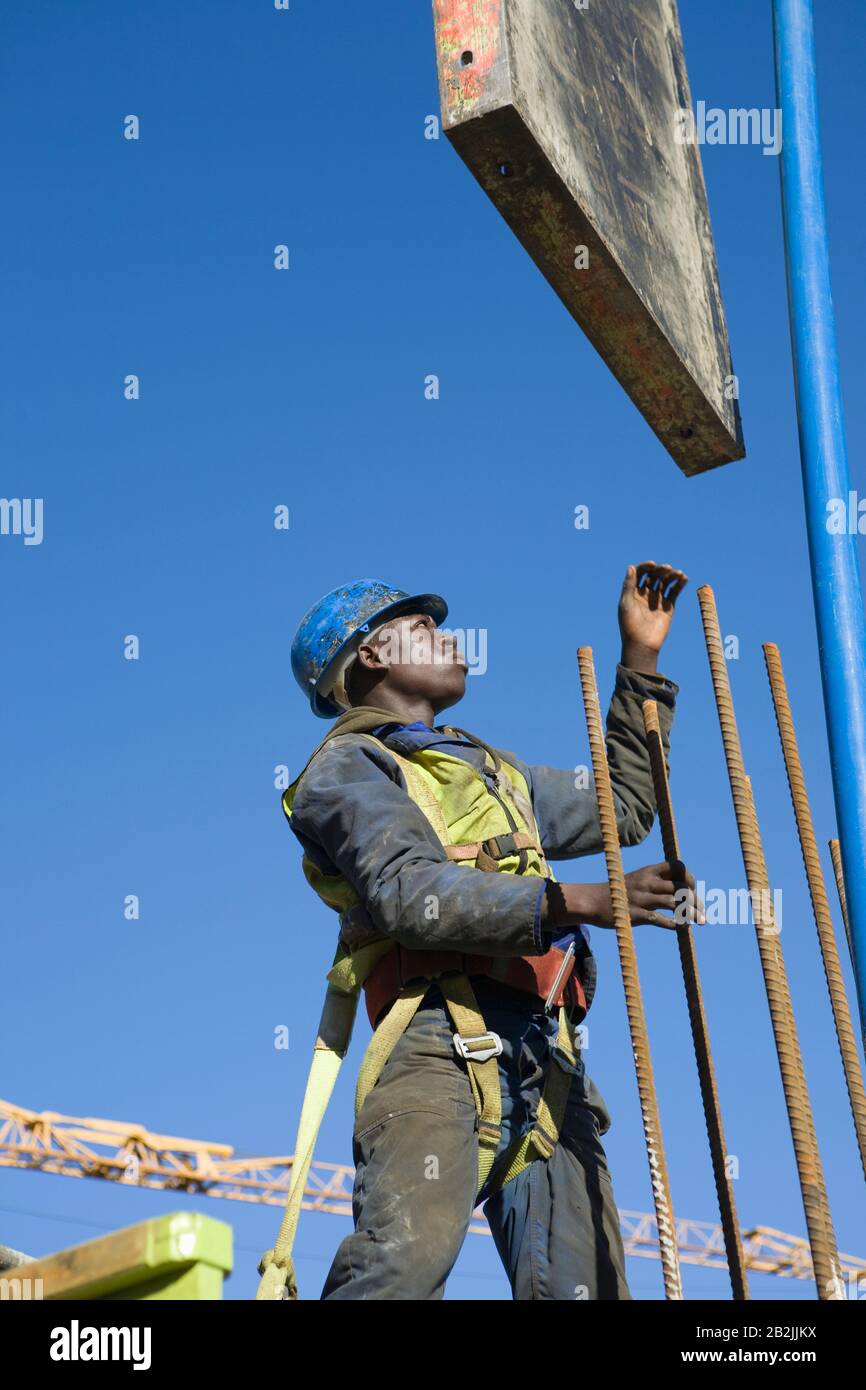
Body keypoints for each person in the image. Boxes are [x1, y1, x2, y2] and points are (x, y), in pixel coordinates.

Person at [284, 566, 696, 1300]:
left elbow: (623, 806)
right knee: (400, 1270)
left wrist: (640, 661)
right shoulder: (347, 768)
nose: (450, 640)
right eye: (424, 629)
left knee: (588, 1286)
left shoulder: (497, 775)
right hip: (437, 1045)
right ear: (372, 656)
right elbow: (412, 893)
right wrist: (582, 900)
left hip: (545, 1061)